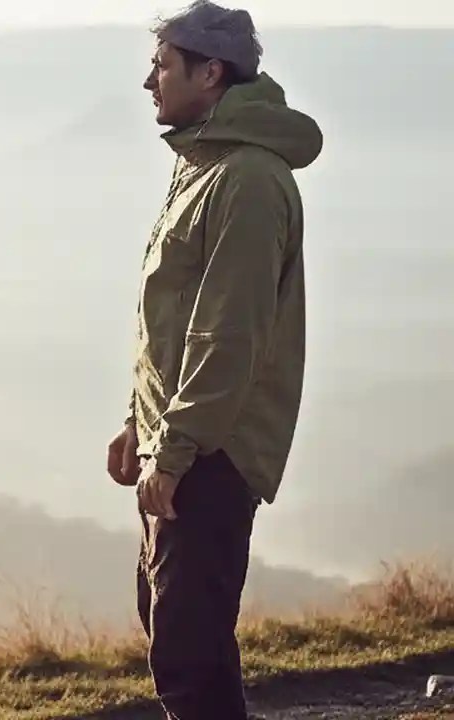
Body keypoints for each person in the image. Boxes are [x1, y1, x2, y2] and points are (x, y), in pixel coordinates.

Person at [105, 2, 323, 718]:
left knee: (189, 653)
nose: (149, 84)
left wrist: (175, 451)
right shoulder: (205, 165)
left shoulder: (248, 181)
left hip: (212, 449)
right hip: (182, 438)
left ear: (211, 71)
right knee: (178, 632)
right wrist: (136, 423)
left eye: (163, 67)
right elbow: (173, 316)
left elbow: (226, 335)